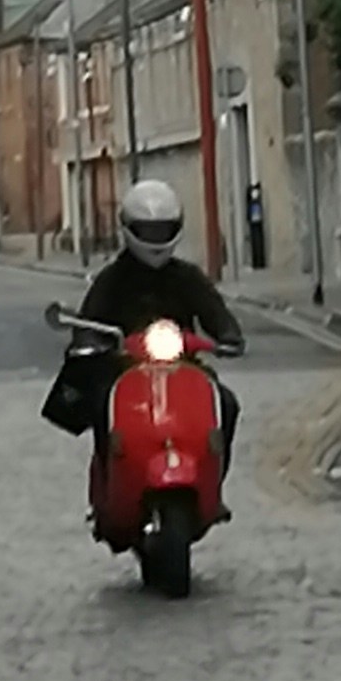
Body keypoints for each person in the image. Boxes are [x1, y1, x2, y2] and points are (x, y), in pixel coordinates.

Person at [55, 178, 244, 492]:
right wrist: (89, 342)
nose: (155, 238)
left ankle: (211, 486)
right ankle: (110, 483)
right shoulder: (112, 279)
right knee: (101, 406)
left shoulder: (187, 277)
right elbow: (88, 322)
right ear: (128, 228)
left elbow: (214, 311)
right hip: (124, 369)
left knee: (226, 404)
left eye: (163, 230)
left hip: (183, 366)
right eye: (147, 231)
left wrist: (228, 334)